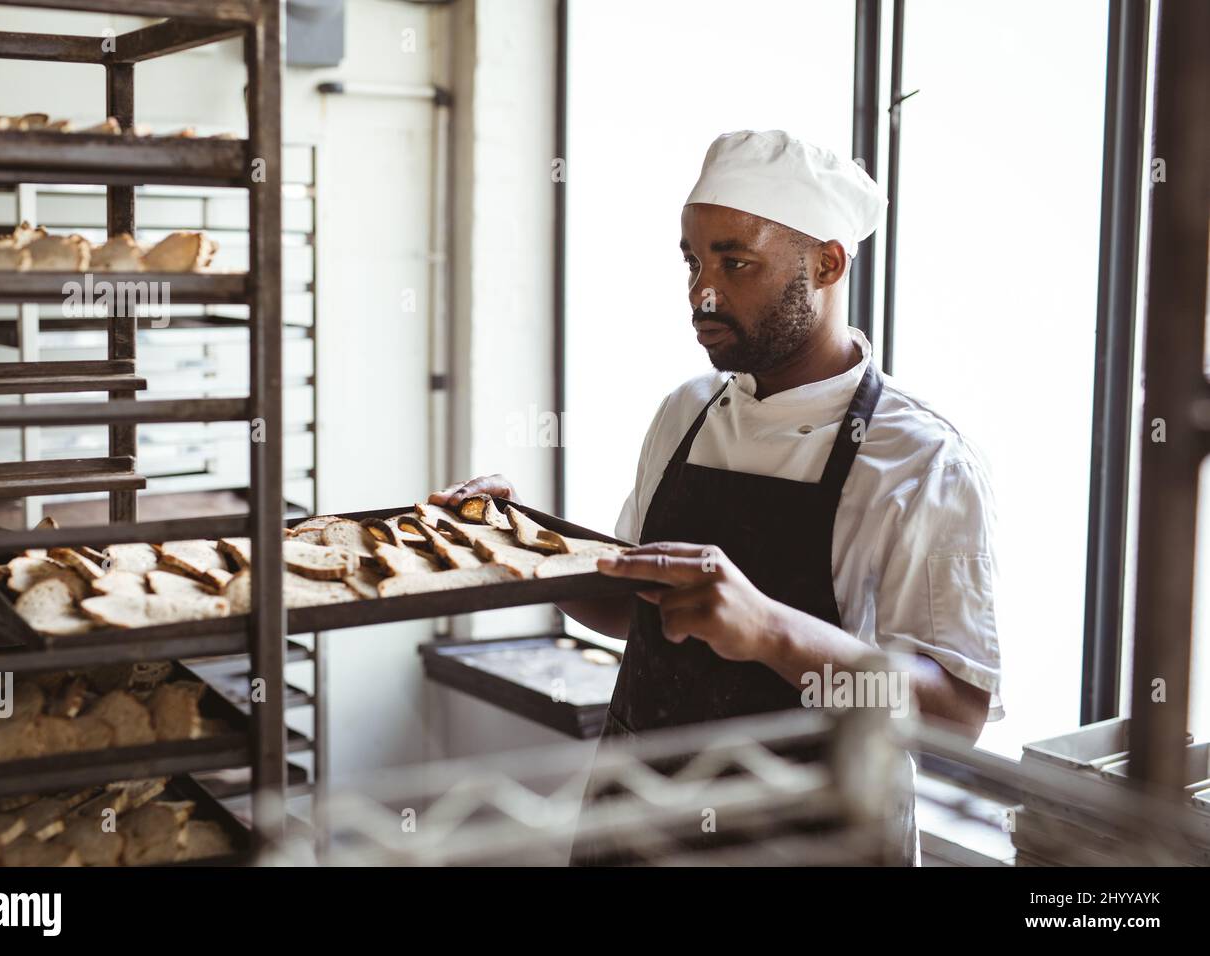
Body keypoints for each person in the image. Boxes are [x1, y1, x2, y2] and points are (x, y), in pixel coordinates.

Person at [430, 130, 1003, 866]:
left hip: (810, 835)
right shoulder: (687, 410)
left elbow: (954, 716)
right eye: (694, 260)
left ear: (826, 263)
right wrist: (517, 545)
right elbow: (625, 604)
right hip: (638, 819)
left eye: (736, 262)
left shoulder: (922, 461)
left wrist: (769, 632)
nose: (702, 291)